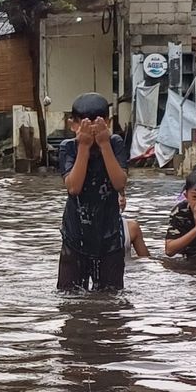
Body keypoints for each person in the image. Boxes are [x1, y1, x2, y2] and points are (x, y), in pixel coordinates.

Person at [57, 92, 130, 291]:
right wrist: (83, 147)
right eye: (84, 125)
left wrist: (104, 144)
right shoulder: (68, 148)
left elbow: (119, 183)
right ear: (73, 125)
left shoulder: (114, 143)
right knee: (69, 296)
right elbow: (73, 187)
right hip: (75, 235)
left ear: (108, 123)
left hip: (109, 235)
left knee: (111, 297)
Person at [119, 193, 150, 258]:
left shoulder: (131, 227)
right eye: (116, 195)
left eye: (123, 195)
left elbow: (146, 259)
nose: (121, 199)